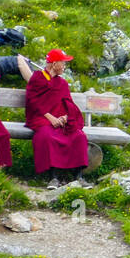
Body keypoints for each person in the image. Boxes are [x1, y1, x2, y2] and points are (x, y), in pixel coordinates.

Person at [22, 48, 89, 184]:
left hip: (61, 120)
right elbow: (33, 102)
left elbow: (69, 104)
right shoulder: (37, 78)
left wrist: (65, 117)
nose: (64, 67)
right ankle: (53, 177)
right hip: (42, 119)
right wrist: (50, 118)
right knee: (47, 136)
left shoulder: (62, 83)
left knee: (79, 136)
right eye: (63, 63)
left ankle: (79, 176)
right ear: (54, 64)